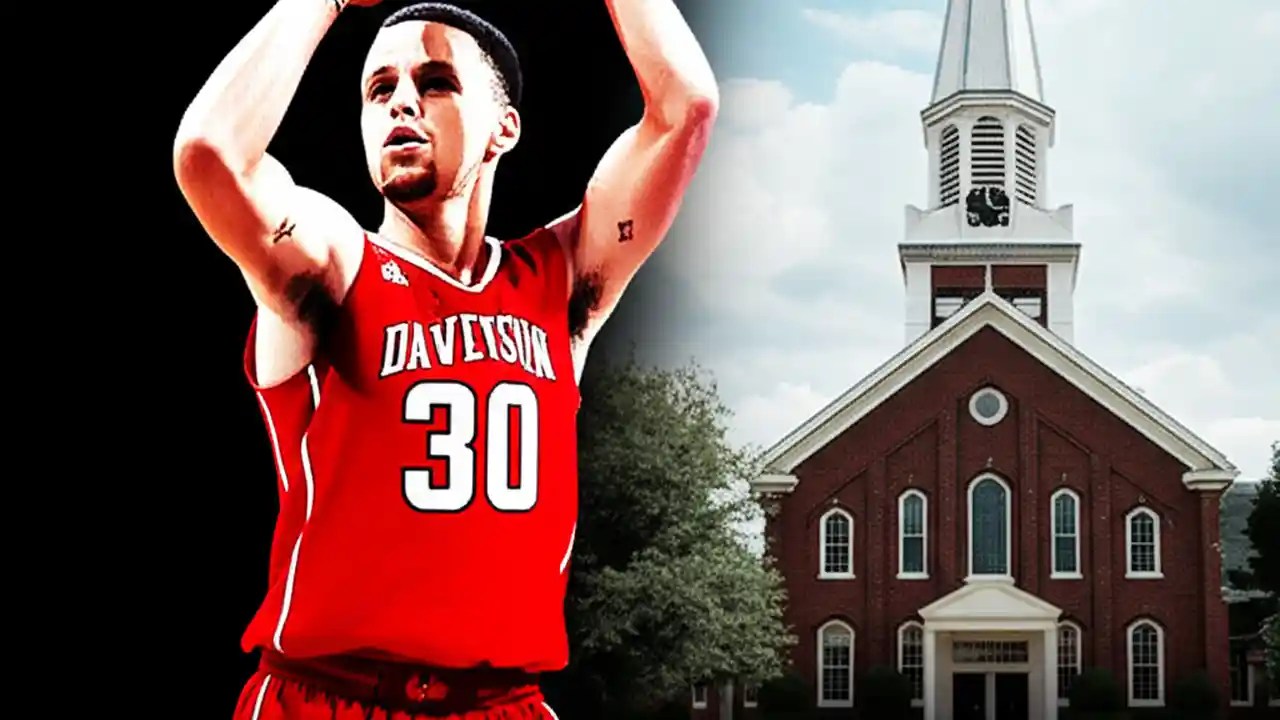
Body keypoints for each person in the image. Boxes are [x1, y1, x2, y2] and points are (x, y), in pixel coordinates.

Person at [172, 0, 718, 718]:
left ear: (504, 127)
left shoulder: (560, 279)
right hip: (327, 693)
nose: (401, 100)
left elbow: (687, 109)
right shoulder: (332, 263)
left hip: (502, 700)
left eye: (435, 82)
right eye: (379, 88)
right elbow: (210, 154)